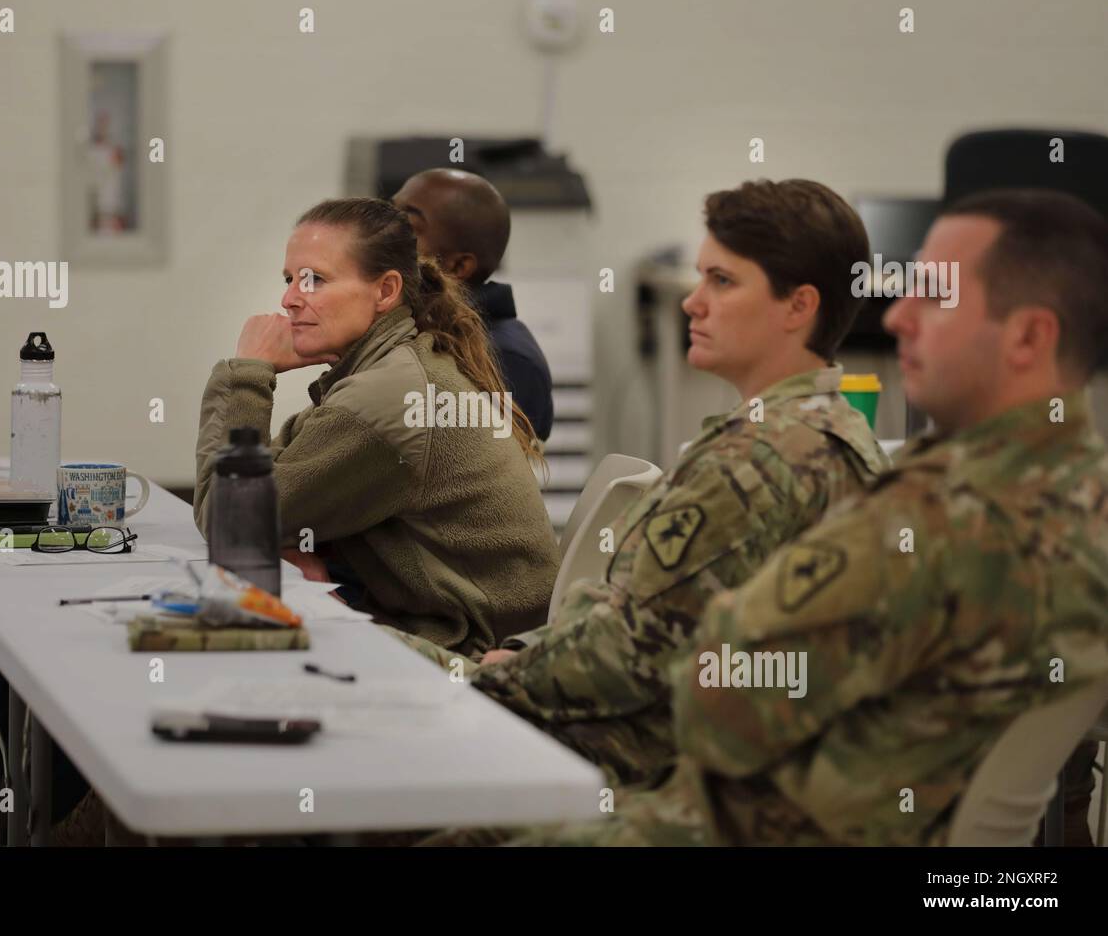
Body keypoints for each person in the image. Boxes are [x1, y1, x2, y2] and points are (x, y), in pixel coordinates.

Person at [460, 187, 1108, 846]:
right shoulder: (1078, 500)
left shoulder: (941, 516)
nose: (896, 319)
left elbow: (717, 708)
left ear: (1030, 334)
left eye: (935, 297)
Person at [395, 179, 890, 789]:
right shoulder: (833, 428)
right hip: (641, 730)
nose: (692, 302)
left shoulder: (757, 459)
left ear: (799, 306)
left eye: (723, 282)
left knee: (374, 687)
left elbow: (632, 656)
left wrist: (503, 673)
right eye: (701, 277)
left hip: (630, 763)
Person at [193, 197, 559, 654]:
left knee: (234, 640)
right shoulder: (394, 365)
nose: (289, 299)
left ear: (385, 291)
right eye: (289, 280)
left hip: (469, 655)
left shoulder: (385, 394)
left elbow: (228, 521)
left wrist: (246, 372)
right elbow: (261, 489)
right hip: (456, 628)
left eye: (315, 280)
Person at [393, 169, 554, 441]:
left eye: (406, 224)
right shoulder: (419, 329)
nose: (383, 232)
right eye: (388, 213)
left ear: (458, 266)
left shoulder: (505, 357)